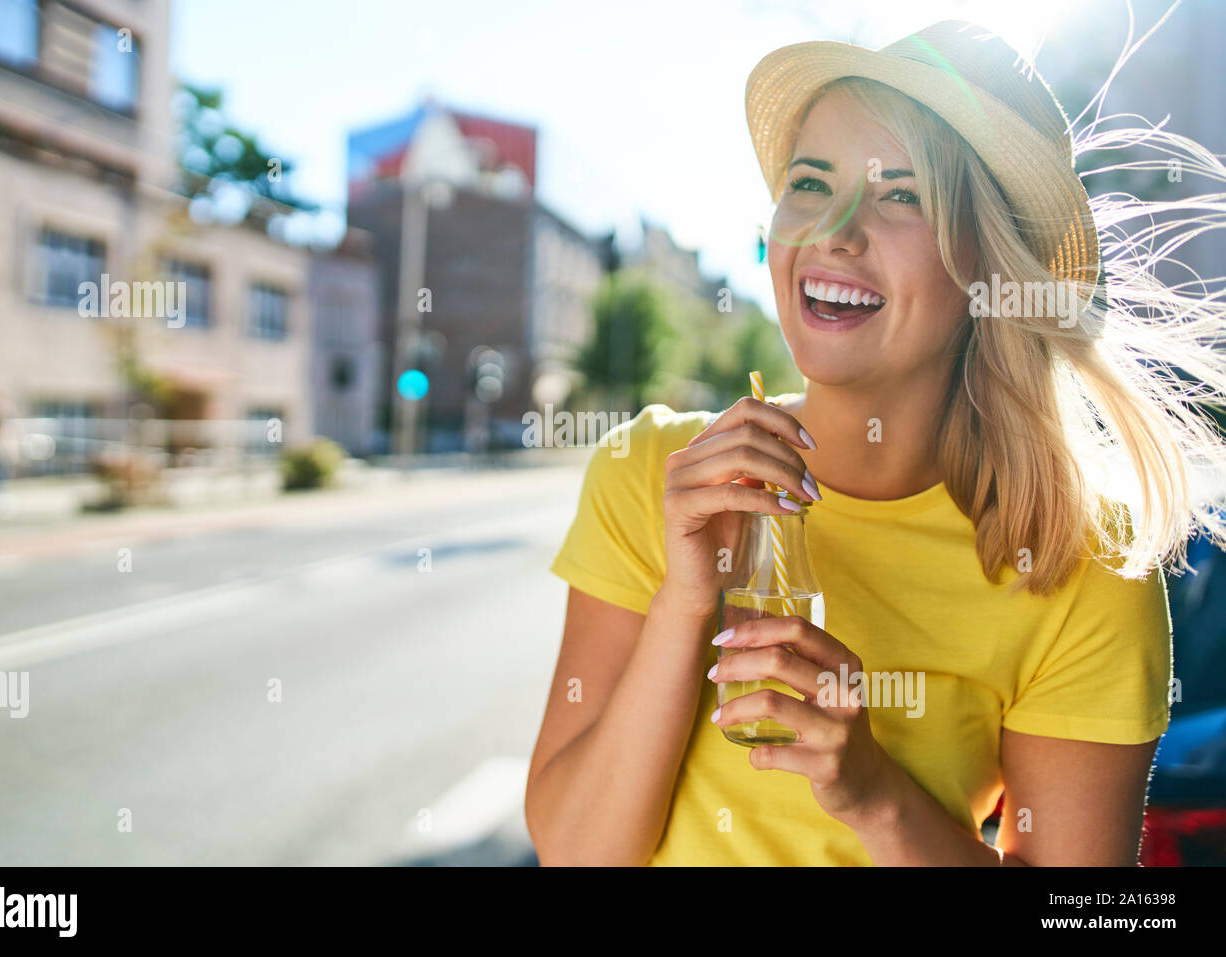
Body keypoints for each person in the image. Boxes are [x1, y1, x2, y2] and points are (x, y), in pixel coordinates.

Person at [525, 20, 1226, 865]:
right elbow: (574, 851)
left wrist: (872, 793)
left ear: (989, 268)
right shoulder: (650, 472)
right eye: (811, 181)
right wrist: (683, 602)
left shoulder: (1080, 567)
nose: (835, 230)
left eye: (903, 194)